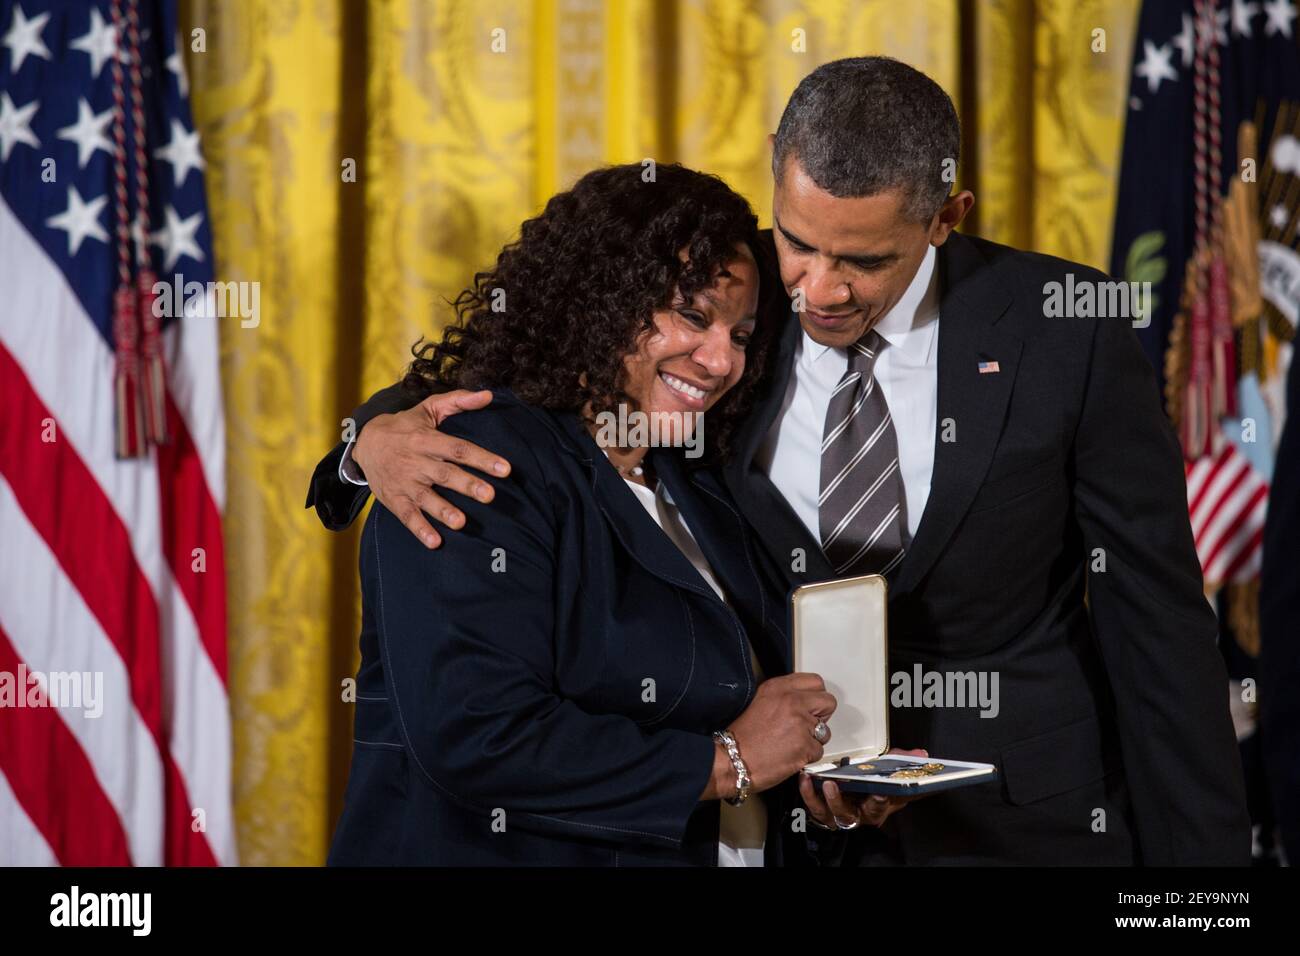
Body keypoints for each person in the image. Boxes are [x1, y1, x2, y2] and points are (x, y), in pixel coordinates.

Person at [312, 58, 1251, 865]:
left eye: (865, 261)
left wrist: (1202, 892)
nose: (821, 291)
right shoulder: (719, 297)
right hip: (779, 828)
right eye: (799, 243)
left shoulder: (1064, 328)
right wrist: (367, 440)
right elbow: (517, 371)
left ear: (945, 216)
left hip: (1019, 821)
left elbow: (1156, 624)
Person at [326, 163, 904, 867]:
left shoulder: (699, 484)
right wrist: (727, 762)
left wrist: (823, 785)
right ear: (600, 299)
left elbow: (742, 717)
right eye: (693, 316)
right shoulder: (467, 463)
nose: (722, 360)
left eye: (744, 335)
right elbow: (478, 734)